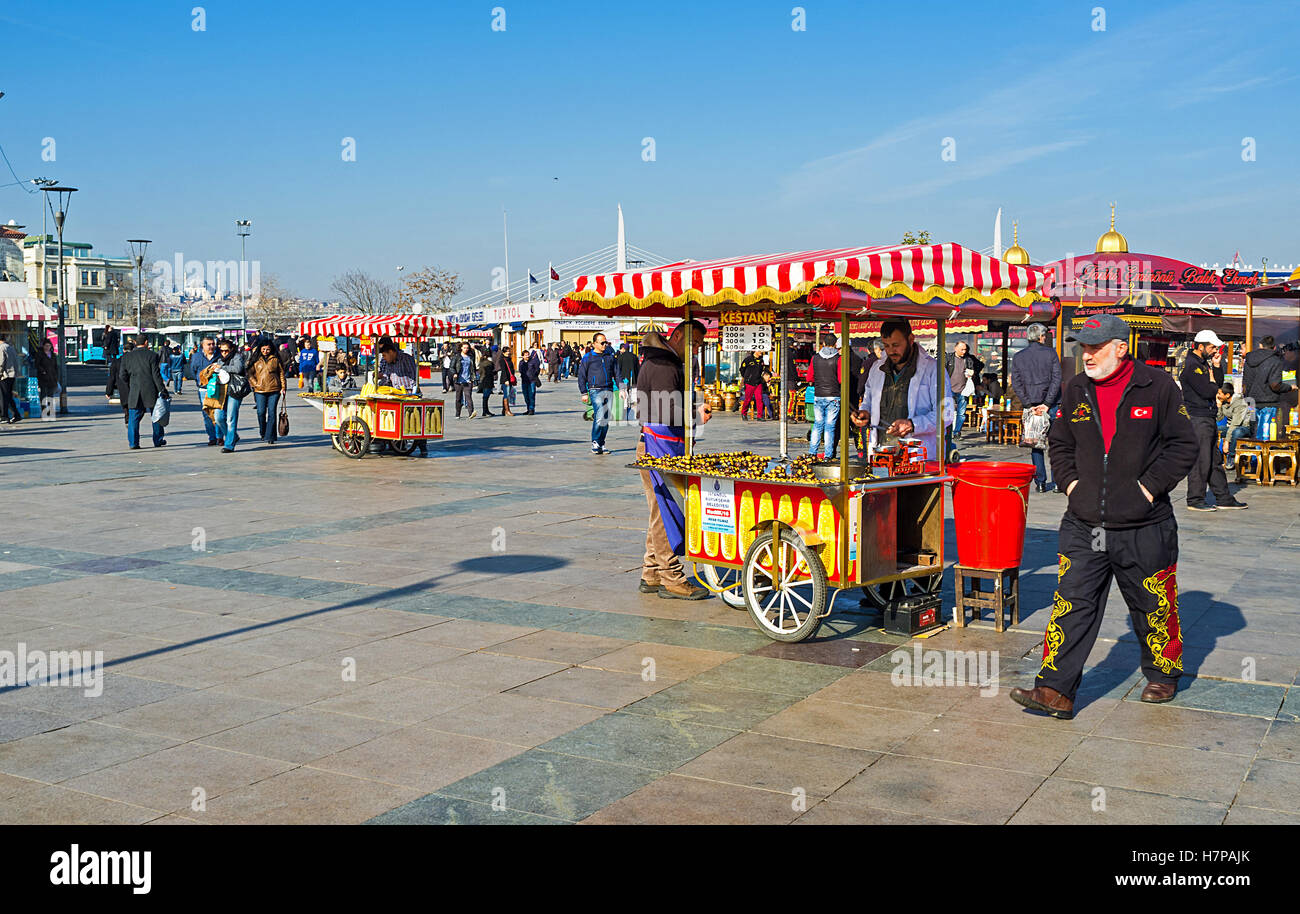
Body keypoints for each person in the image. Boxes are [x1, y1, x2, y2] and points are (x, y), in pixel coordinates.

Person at [1010, 313, 1199, 720]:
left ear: (1120, 348)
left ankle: (1163, 673)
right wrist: (1072, 486)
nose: (1087, 355)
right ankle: (1055, 689)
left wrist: (1147, 489)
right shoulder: (1076, 389)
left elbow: (1184, 446)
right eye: (1084, 347)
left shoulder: (1158, 386)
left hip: (1144, 523)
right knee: (1072, 603)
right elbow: (1060, 445)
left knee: (1153, 603)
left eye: (1096, 347)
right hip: (1085, 523)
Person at [636, 319, 712, 600]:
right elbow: (663, 410)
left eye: (700, 345)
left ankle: (651, 573)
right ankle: (672, 577)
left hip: (655, 444)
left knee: (659, 511)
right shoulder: (664, 365)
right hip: (658, 446)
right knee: (666, 512)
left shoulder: (663, 362)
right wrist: (695, 415)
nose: (696, 349)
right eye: (695, 343)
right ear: (678, 336)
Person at [851, 319, 953, 463]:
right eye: (886, 345)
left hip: (919, 455)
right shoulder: (876, 368)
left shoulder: (933, 369)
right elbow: (868, 401)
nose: (891, 351)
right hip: (883, 452)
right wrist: (865, 413)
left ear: (910, 339)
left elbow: (945, 415)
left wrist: (912, 424)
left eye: (896, 345)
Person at [1180, 330, 1246, 511]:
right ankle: (1195, 499)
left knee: (1214, 460)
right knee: (1201, 460)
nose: (1215, 350)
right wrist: (1212, 384)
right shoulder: (1192, 366)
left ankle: (1223, 497)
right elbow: (1208, 391)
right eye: (1212, 347)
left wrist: (1216, 366)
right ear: (1200, 346)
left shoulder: (1203, 364)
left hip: (1207, 417)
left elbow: (1217, 385)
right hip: (1198, 417)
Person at [1010, 323, 1062, 493]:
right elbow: (1056, 379)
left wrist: (1028, 404)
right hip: (1051, 405)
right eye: (1044, 335)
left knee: (1035, 444)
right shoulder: (1051, 353)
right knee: (1055, 443)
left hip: (1031, 405)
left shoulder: (1019, 357)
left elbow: (1016, 383)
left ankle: (1040, 482)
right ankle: (1057, 482)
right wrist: (1047, 403)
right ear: (1041, 337)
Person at [118, 333, 171, 449]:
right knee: (156, 415)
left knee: (133, 418)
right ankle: (158, 440)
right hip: (151, 390)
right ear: (146, 342)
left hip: (135, 390)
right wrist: (162, 390)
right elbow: (156, 375)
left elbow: (122, 375)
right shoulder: (152, 355)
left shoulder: (127, 357)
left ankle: (133, 443)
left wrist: (131, 383)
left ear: (135, 343)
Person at [1242, 335, 1297, 441]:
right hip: (1268, 403)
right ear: (1274, 347)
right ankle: (1260, 452)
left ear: (1260, 345)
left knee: (1254, 433)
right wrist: (1290, 387)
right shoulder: (1275, 361)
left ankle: (1255, 452)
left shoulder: (1248, 360)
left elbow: (1245, 384)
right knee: (1264, 435)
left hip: (1251, 403)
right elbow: (1275, 385)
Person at [578, 332, 619, 454]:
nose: (604, 345)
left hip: (609, 389)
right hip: (595, 389)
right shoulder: (588, 357)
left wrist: (622, 388)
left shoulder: (610, 356)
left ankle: (601, 443)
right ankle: (595, 441)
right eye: (602, 343)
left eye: (606, 342)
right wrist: (584, 392)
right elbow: (581, 375)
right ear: (595, 343)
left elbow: (617, 373)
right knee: (600, 415)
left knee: (606, 418)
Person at [806, 336, 845, 458]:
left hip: (818, 395)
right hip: (833, 396)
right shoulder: (839, 359)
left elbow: (809, 377)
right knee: (830, 426)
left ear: (823, 343)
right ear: (835, 344)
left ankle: (812, 452)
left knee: (817, 425)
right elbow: (841, 379)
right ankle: (828, 455)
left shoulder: (815, 358)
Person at [207, 338, 247, 452]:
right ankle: (233, 436)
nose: (224, 353)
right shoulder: (220, 359)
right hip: (221, 391)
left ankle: (229, 444)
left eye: (226, 351)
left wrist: (221, 367)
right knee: (218, 417)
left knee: (230, 418)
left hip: (235, 390)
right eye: (222, 351)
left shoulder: (237, 357)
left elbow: (238, 369)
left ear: (231, 349)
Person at [248, 337, 288, 445]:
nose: (265, 351)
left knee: (272, 412)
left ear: (271, 349)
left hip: (274, 389)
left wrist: (283, 387)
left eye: (268, 349)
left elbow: (281, 374)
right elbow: (250, 373)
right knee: (260, 412)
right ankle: (263, 432)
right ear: (260, 349)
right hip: (259, 390)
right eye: (263, 349)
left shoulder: (275, 359)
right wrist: (255, 383)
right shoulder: (255, 359)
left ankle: (270, 436)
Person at [945, 341, 984, 438]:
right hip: (949, 389)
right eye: (961, 349)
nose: (964, 351)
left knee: (961, 413)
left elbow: (978, 367)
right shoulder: (948, 358)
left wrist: (973, 373)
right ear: (955, 348)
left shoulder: (968, 359)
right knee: (948, 412)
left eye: (965, 350)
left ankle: (957, 432)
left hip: (963, 390)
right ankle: (947, 432)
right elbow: (942, 371)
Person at [188, 337, 220, 445]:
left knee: (218, 413)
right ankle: (212, 437)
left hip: (218, 388)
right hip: (203, 389)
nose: (211, 346)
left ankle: (219, 436)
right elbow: (193, 370)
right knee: (207, 413)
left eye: (213, 344)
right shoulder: (197, 356)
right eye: (209, 344)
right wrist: (199, 380)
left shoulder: (219, 355)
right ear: (203, 345)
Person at [1218, 383, 1254, 465]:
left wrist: (1227, 442)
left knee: (1237, 432)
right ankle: (1216, 456)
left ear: (1227, 395)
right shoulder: (1224, 402)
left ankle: (1231, 455)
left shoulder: (1239, 403)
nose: (1218, 395)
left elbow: (1236, 424)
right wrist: (1219, 406)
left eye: (1219, 393)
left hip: (1243, 428)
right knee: (1215, 429)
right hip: (1231, 427)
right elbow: (1219, 418)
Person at [740, 350, 767, 421]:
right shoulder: (748, 359)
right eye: (759, 350)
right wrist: (747, 377)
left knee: (759, 399)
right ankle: (744, 413)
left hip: (758, 382)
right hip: (749, 383)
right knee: (748, 399)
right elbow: (742, 369)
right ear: (755, 351)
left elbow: (762, 370)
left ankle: (759, 416)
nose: (761, 352)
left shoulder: (761, 360)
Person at [453, 342, 475, 418]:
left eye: (467, 348)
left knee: (468, 396)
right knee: (458, 398)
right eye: (464, 348)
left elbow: (473, 368)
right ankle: (457, 413)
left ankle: (471, 413)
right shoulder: (457, 357)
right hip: (458, 381)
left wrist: (473, 378)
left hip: (468, 380)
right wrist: (454, 373)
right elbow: (451, 367)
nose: (466, 349)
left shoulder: (470, 357)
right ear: (461, 348)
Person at [34, 339, 58, 407]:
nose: (47, 347)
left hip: (52, 377)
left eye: (49, 346)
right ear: (43, 346)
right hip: (43, 377)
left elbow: (55, 366)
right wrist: (42, 371)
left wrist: (56, 376)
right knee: (43, 394)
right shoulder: (40, 354)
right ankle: (43, 408)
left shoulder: (53, 355)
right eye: (46, 346)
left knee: (50, 394)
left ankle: (50, 409)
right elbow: (37, 364)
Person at [520, 347, 541, 415]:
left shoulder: (532, 361)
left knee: (531, 395)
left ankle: (531, 409)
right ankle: (528, 408)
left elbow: (537, 369)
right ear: (523, 356)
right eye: (526, 355)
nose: (527, 356)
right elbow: (520, 370)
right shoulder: (521, 362)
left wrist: (534, 375)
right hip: (524, 381)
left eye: (528, 354)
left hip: (532, 381)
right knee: (526, 396)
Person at [476, 347, 497, 417]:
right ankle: (485, 411)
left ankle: (485, 411)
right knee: (486, 397)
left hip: (484, 380)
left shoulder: (482, 362)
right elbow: (491, 371)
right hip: (487, 380)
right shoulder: (488, 362)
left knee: (485, 397)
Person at [498, 346, 517, 417]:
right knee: (506, 395)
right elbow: (503, 371)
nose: (508, 352)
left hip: (510, 379)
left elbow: (512, 370)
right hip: (505, 380)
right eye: (507, 351)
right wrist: (506, 380)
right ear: (503, 352)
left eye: (509, 351)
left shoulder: (509, 359)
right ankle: (507, 410)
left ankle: (504, 410)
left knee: (507, 394)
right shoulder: (502, 360)